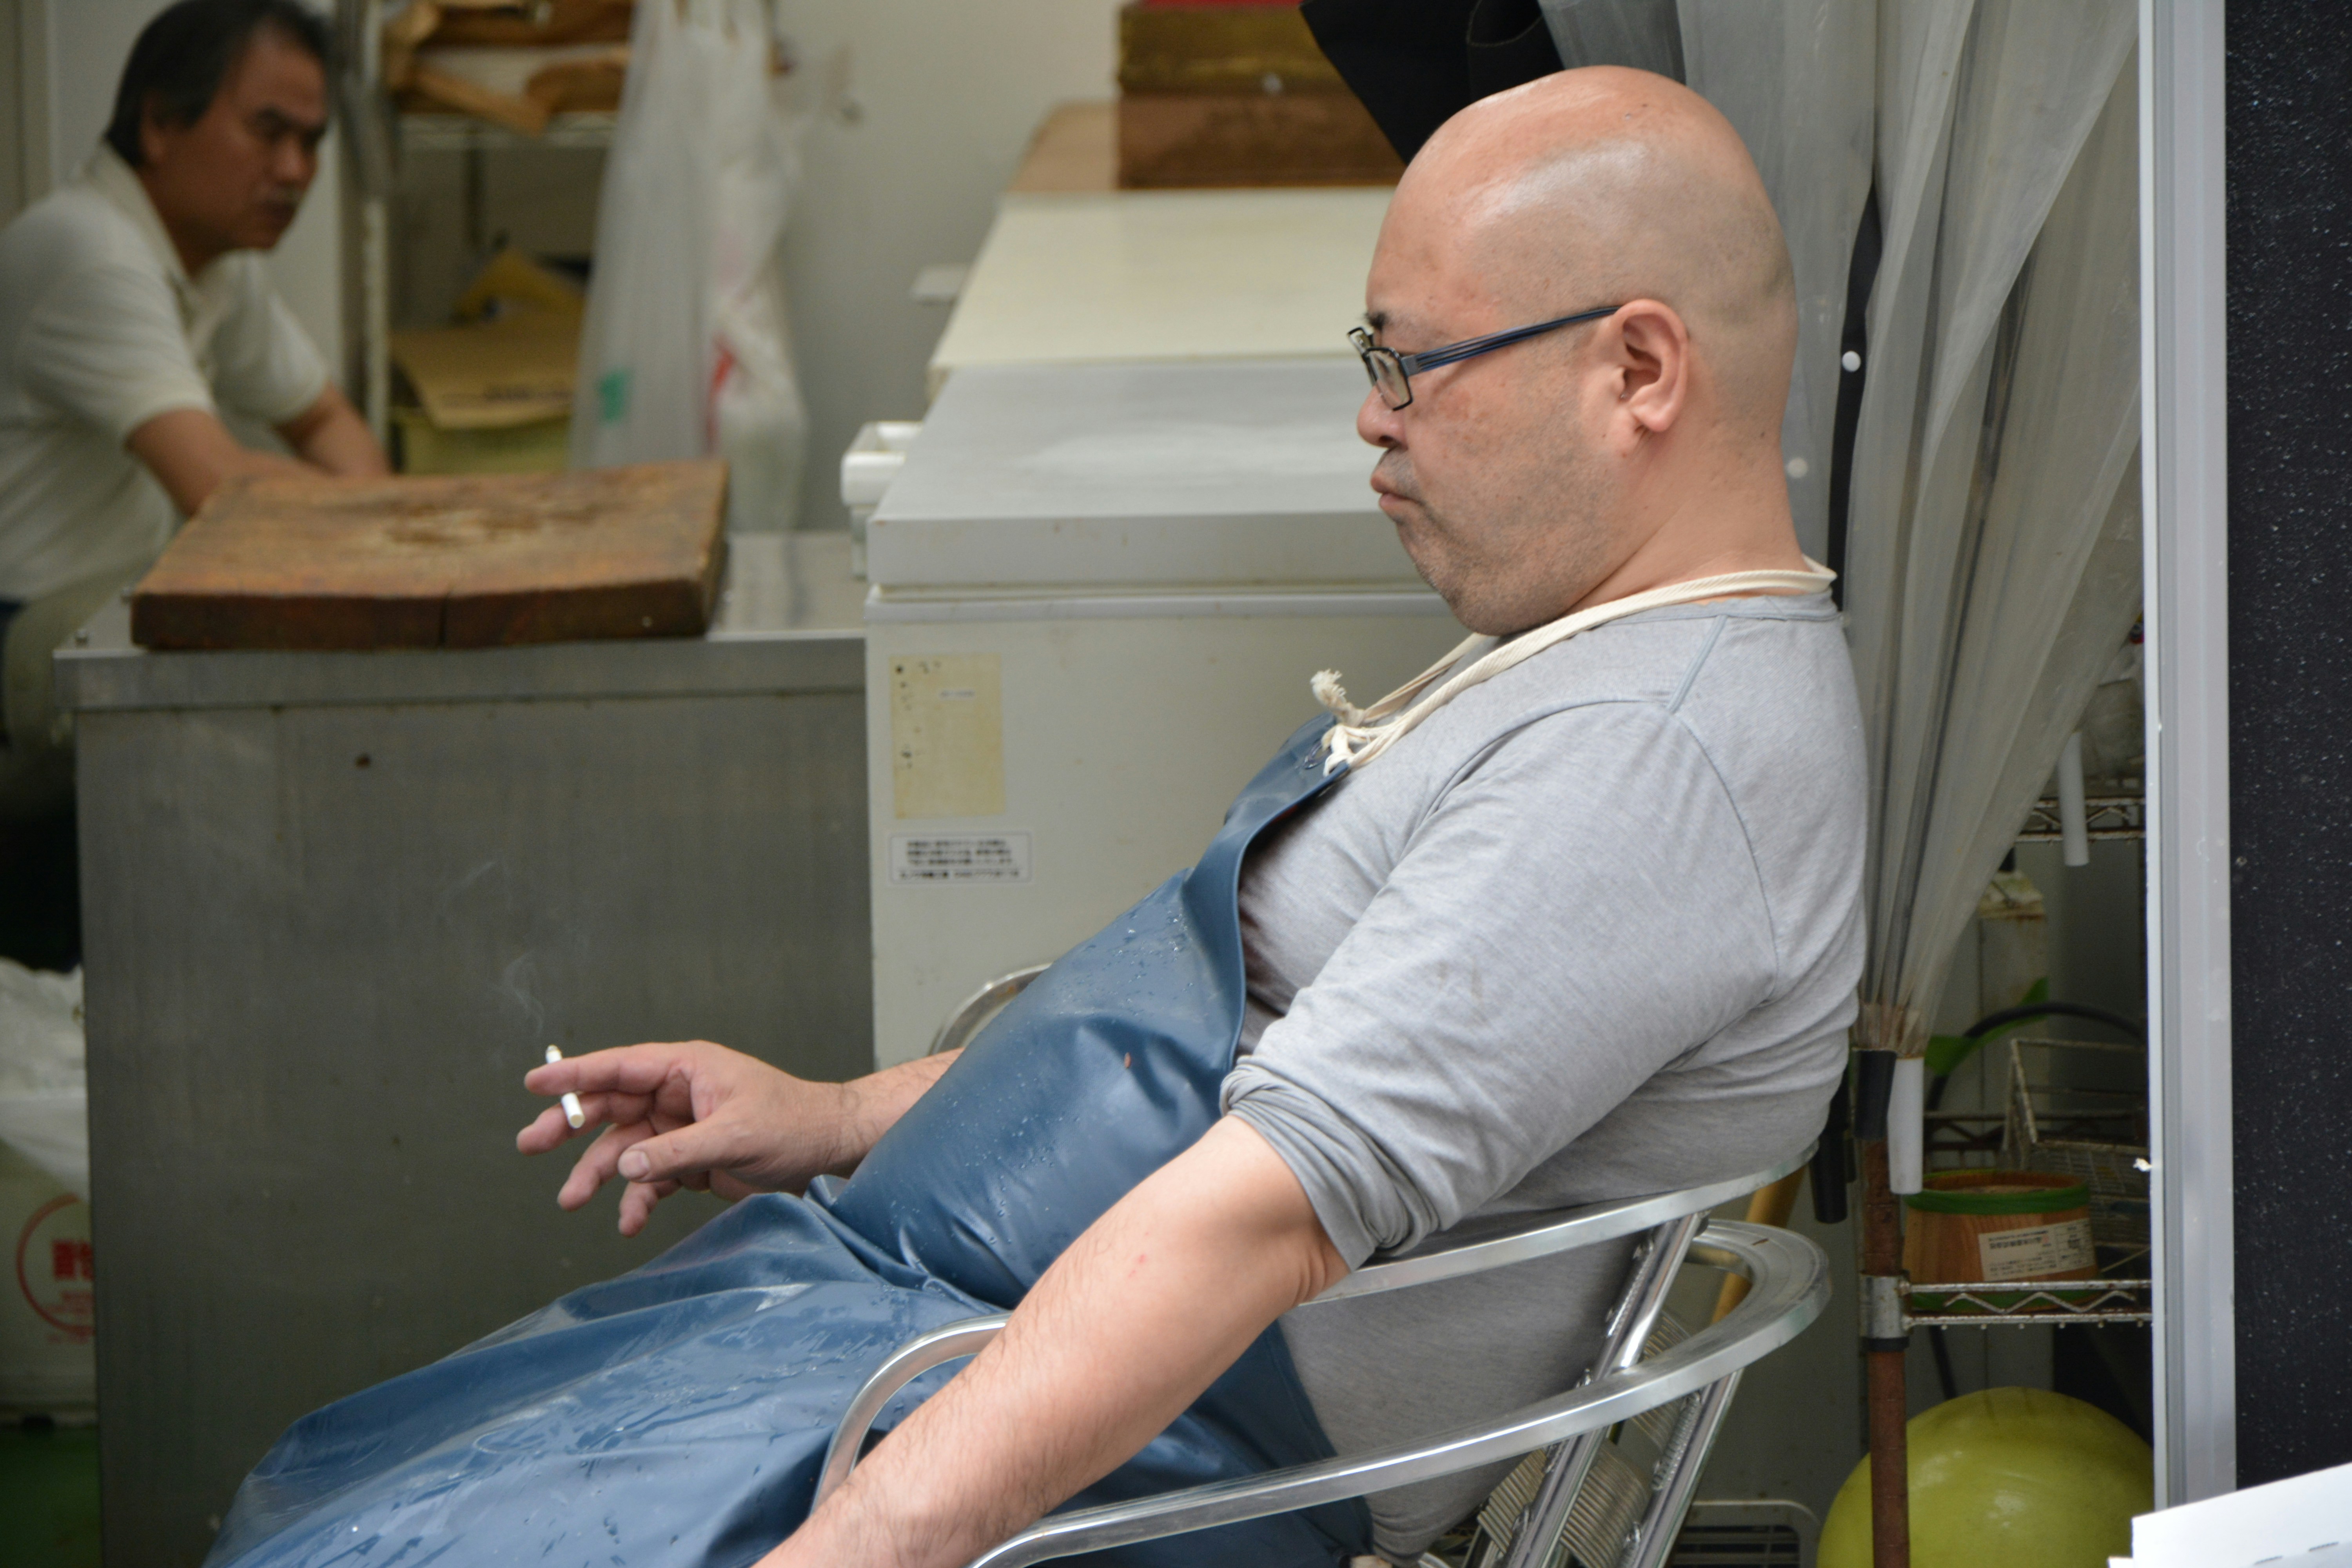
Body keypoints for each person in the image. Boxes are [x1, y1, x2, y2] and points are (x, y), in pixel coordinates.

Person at [207, 65, 1864, 1568]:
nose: (1375, 415)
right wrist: (843, 1112)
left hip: (1124, 1450)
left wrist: (855, 1551)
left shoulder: (1656, 759)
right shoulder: (1588, 663)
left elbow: (1252, 1216)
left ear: (1637, 369)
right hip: (932, 1310)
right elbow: (1215, 1052)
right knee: (335, 1481)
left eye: (1412, 364)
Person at [0, 0, 385, 804]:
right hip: (27, 622)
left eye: (312, 142)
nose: (295, 171)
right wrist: (397, 529)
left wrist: (384, 521)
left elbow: (323, 420)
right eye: (268, 131)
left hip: (117, 597)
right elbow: (222, 491)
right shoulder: (92, 251)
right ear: (159, 125)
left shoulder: (217, 259)